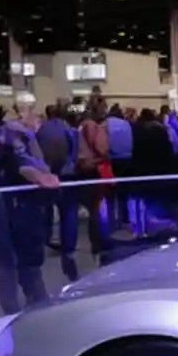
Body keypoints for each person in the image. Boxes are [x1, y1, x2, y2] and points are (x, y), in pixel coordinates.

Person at [0, 106, 60, 314]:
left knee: (6, 260)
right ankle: (37, 304)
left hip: (3, 204)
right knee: (25, 260)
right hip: (18, 206)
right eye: (36, 116)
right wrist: (42, 177)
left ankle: (12, 307)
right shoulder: (18, 136)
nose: (38, 121)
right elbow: (26, 166)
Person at [35, 106, 80, 278]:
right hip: (67, 175)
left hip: (46, 174)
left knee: (46, 209)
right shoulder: (70, 130)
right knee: (69, 212)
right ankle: (68, 246)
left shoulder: (42, 130)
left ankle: (46, 238)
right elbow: (75, 153)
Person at [76, 106, 112, 253]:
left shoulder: (78, 128)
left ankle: (96, 241)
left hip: (82, 169)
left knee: (92, 209)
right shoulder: (93, 127)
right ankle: (99, 241)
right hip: (94, 169)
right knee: (97, 209)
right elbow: (102, 149)